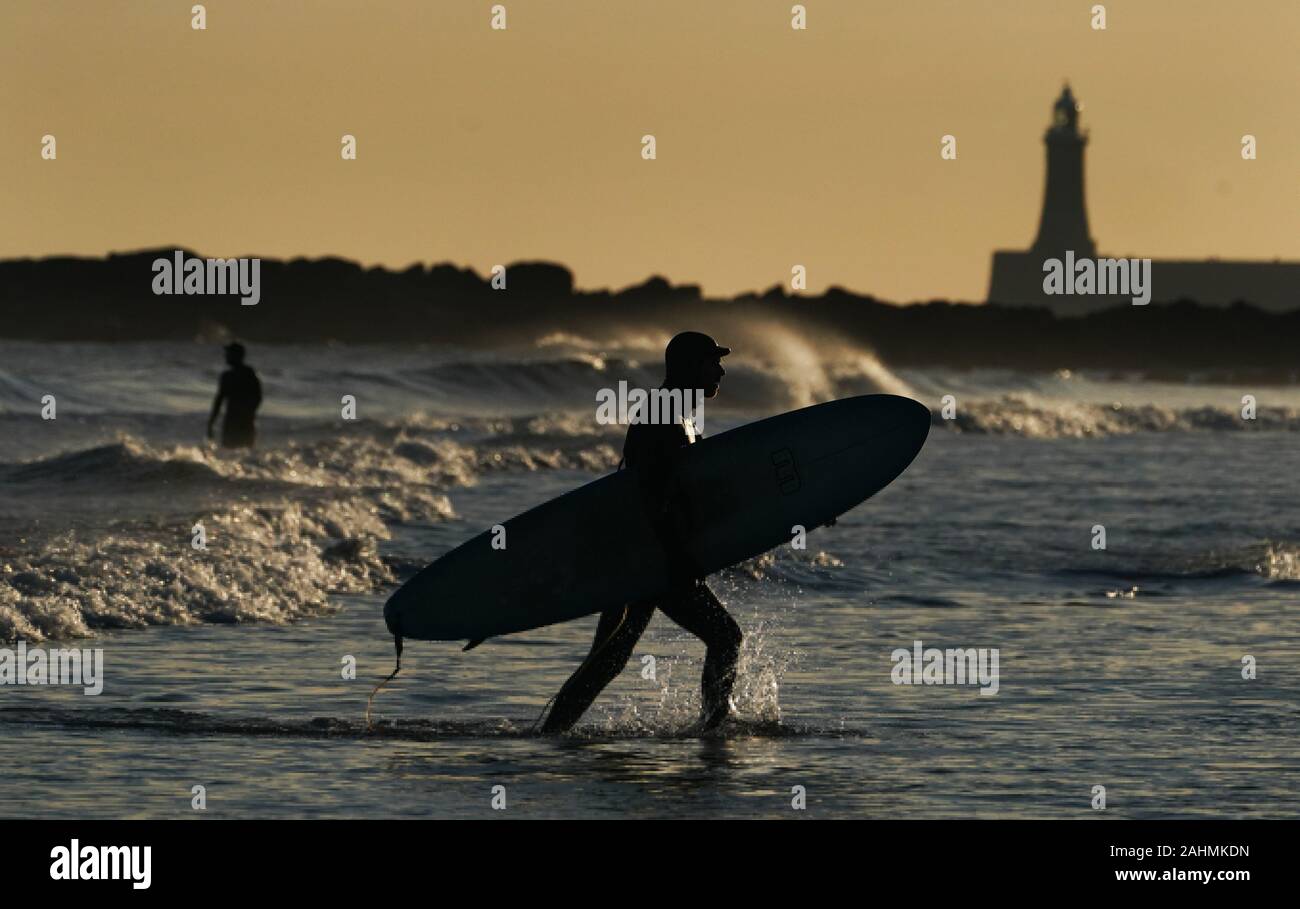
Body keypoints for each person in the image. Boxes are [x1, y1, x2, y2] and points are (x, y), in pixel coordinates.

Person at [541, 331, 742, 734]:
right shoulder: (663, 415)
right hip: (653, 555)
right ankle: (713, 732)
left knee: (610, 656)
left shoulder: (678, 412)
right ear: (689, 367)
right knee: (725, 638)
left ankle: (552, 734)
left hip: (639, 553)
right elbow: (653, 494)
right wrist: (676, 557)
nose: (720, 370)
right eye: (711, 362)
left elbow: (690, 488)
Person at [206, 342, 262, 448]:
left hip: (232, 422)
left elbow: (219, 400)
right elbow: (258, 397)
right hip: (247, 422)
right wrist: (250, 413)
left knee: (229, 451)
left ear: (236, 356)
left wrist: (211, 423)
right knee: (246, 453)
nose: (225, 356)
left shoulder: (228, 376)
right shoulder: (250, 373)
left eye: (228, 354)